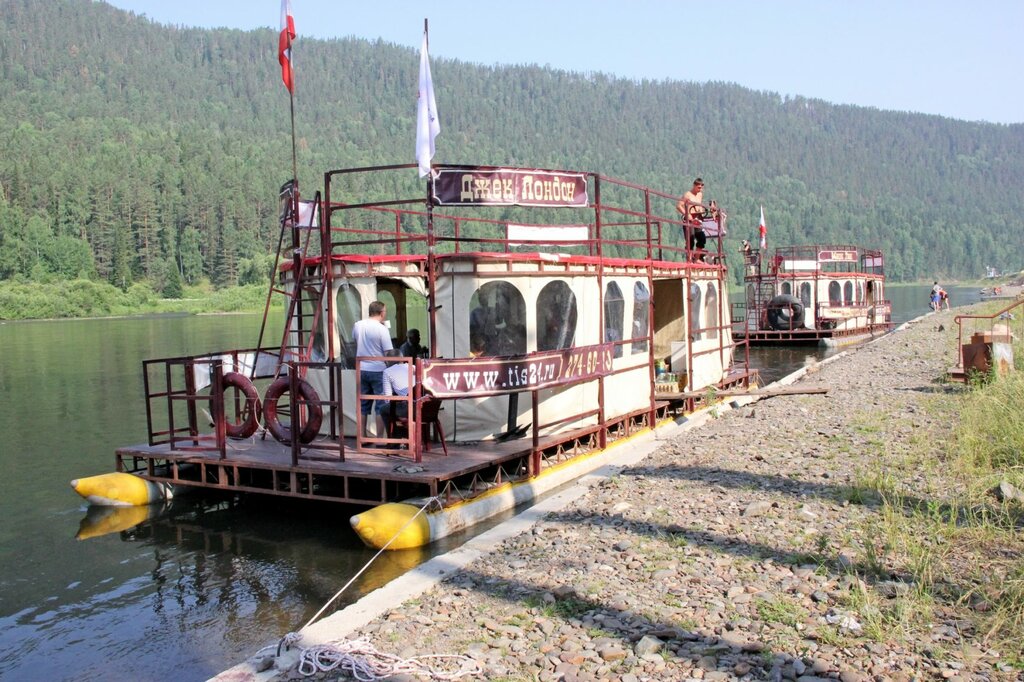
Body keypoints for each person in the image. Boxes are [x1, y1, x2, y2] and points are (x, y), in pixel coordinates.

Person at [352, 300, 393, 438]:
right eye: (385, 312)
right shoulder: (382, 329)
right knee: (381, 405)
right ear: (381, 313)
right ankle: (379, 438)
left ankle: (362, 436)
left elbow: (356, 342)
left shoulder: (358, 325)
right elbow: (388, 353)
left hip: (361, 369)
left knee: (363, 404)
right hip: (378, 370)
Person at [378, 349, 412, 440]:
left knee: (383, 409)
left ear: (388, 361)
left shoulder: (387, 372)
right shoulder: (413, 367)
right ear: (402, 358)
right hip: (425, 407)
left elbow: (387, 399)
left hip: (408, 408)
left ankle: (394, 439)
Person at [676, 178, 708, 252]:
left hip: (697, 219)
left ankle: (696, 258)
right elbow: (679, 206)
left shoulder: (700, 194)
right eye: (699, 188)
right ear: (694, 186)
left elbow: (699, 205)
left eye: (701, 188)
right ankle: (689, 258)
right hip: (689, 220)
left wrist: (701, 211)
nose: (700, 189)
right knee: (690, 239)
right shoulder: (688, 195)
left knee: (702, 238)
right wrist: (687, 214)